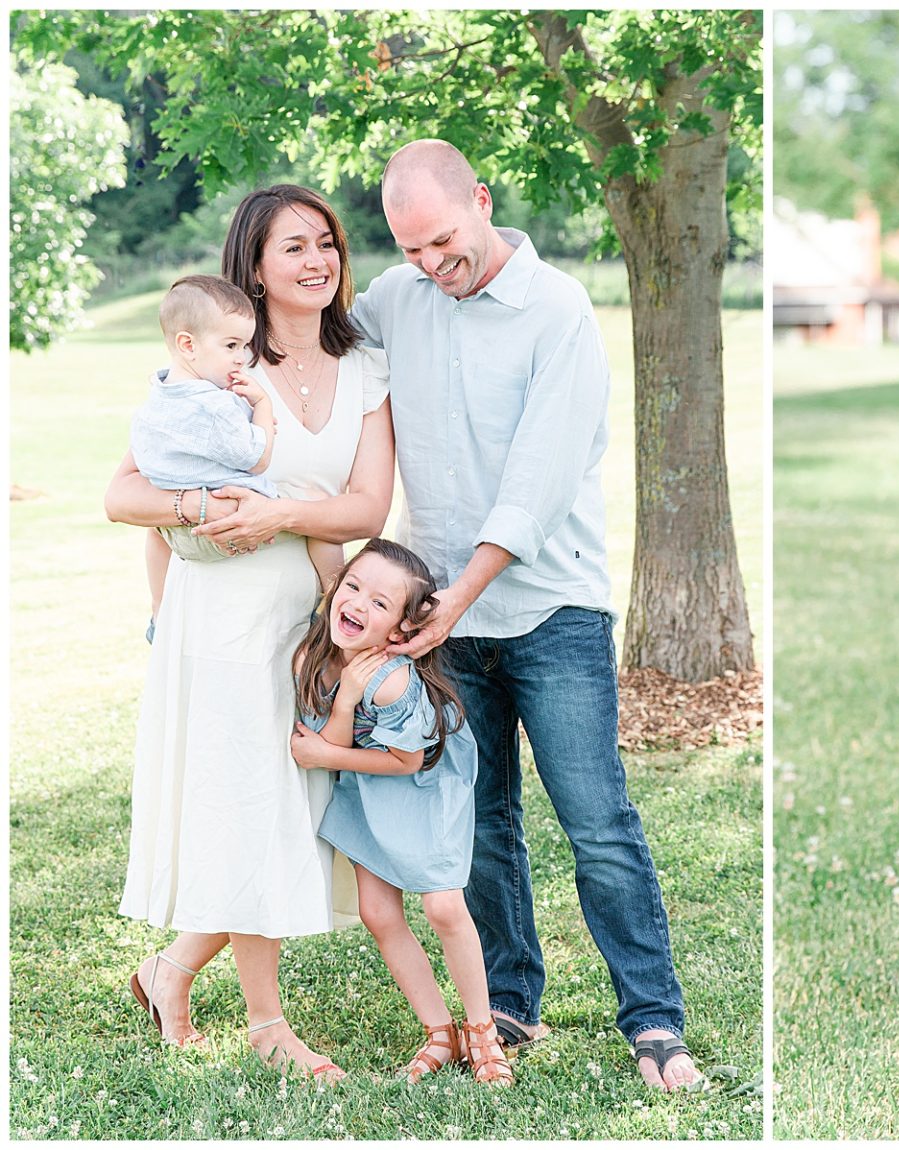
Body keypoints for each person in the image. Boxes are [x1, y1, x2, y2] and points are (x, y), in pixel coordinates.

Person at [349, 138, 700, 1091]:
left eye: (443, 240)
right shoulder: (396, 301)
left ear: (482, 199)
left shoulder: (559, 309)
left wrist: (454, 599)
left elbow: (539, 482)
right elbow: (318, 345)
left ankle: (653, 1018)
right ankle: (508, 1000)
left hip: (552, 611)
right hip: (442, 617)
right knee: (480, 823)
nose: (432, 263)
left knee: (597, 821)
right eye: (411, 249)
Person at [108, 184, 396, 1079]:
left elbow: (368, 506)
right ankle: (268, 1026)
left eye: (326, 242)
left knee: (287, 806)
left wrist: (276, 514)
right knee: (249, 803)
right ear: (256, 269)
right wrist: (203, 507)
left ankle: (170, 971)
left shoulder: (365, 366)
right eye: (293, 247)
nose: (317, 261)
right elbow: (124, 494)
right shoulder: (222, 362)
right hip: (224, 616)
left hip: (313, 618)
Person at [288, 538, 513, 1087]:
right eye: (353, 586)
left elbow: (406, 759)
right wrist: (344, 701)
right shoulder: (312, 660)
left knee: (443, 907)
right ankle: (440, 1032)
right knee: (378, 912)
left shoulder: (390, 680)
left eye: (380, 603)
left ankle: (482, 1032)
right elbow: (334, 741)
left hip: (422, 786)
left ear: (399, 631)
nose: (358, 604)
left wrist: (326, 753)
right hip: (366, 788)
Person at [134, 274, 343, 640]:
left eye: (244, 346)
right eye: (231, 345)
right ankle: (331, 604)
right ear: (188, 345)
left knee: (153, 532)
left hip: (176, 532)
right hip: (230, 519)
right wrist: (261, 406)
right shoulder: (217, 405)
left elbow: (145, 458)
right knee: (318, 512)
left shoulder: (157, 398)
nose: (242, 357)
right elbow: (256, 458)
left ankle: (158, 611)